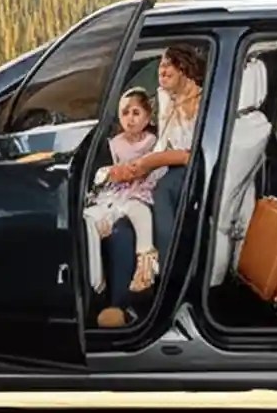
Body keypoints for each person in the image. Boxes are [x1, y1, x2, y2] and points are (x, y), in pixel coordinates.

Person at [96, 43, 206, 328]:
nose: (163, 70)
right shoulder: (166, 99)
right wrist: (136, 168)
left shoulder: (201, 101)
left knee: (162, 193)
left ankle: (169, 298)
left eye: (170, 64)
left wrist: (148, 163)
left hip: (190, 172)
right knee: (121, 227)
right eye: (160, 65)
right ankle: (120, 306)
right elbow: (163, 143)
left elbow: (194, 153)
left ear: (185, 69)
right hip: (162, 168)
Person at [82, 88, 162, 295]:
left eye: (136, 113)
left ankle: (145, 266)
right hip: (116, 191)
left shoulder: (152, 142)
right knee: (91, 219)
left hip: (140, 189)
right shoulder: (114, 143)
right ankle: (96, 282)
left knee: (141, 213)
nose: (130, 119)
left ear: (147, 117)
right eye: (125, 113)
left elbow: (154, 169)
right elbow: (109, 173)